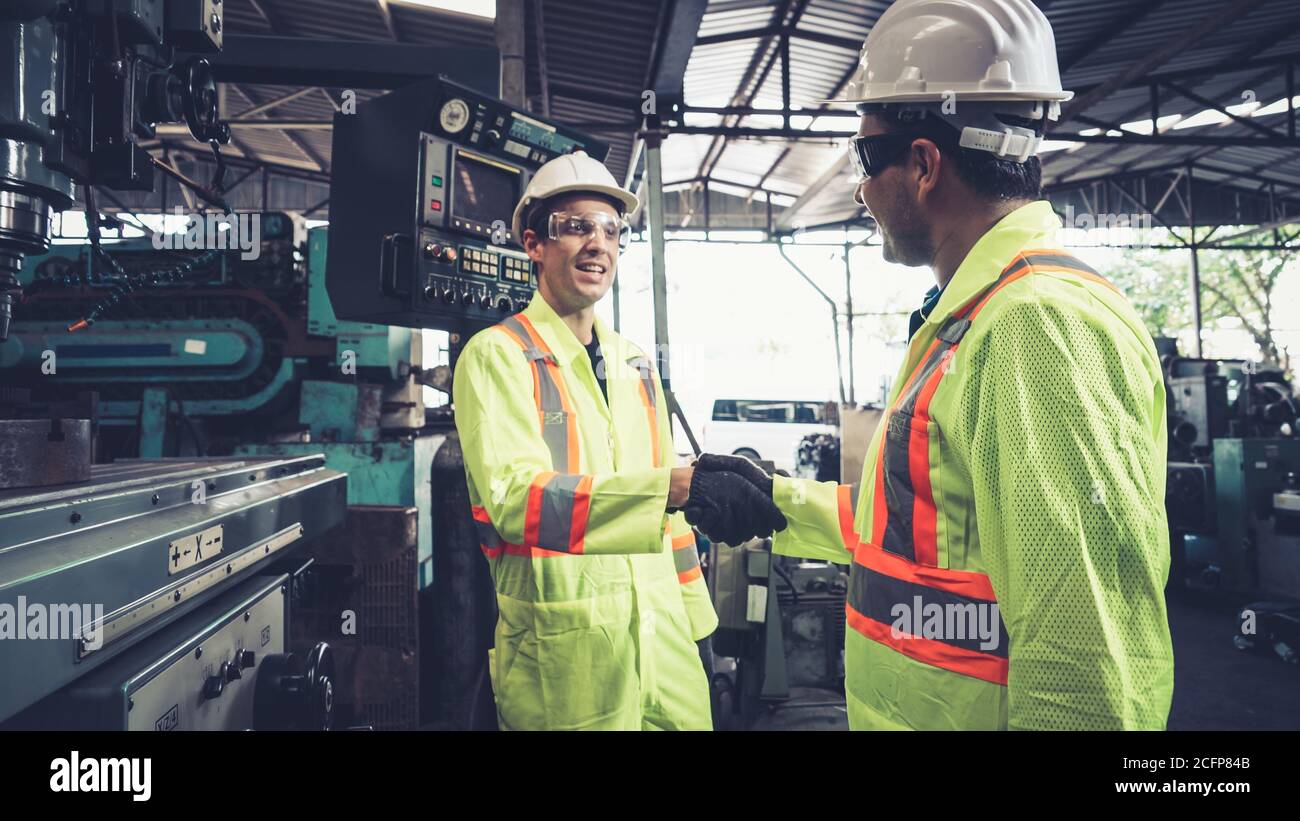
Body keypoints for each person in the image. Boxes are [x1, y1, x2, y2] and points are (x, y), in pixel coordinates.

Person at [686, 0, 1174, 730]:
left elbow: (1087, 654)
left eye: (865, 158)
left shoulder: (1036, 324)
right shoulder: (975, 318)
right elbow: (931, 532)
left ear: (921, 164)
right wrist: (779, 503)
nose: (859, 190)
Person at [452, 151, 783, 729]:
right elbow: (516, 502)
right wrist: (673, 489)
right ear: (535, 244)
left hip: (666, 649)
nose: (597, 245)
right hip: (568, 658)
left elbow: (672, 523)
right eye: (576, 227)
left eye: (610, 231)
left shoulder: (634, 362)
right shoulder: (496, 357)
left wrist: (699, 628)